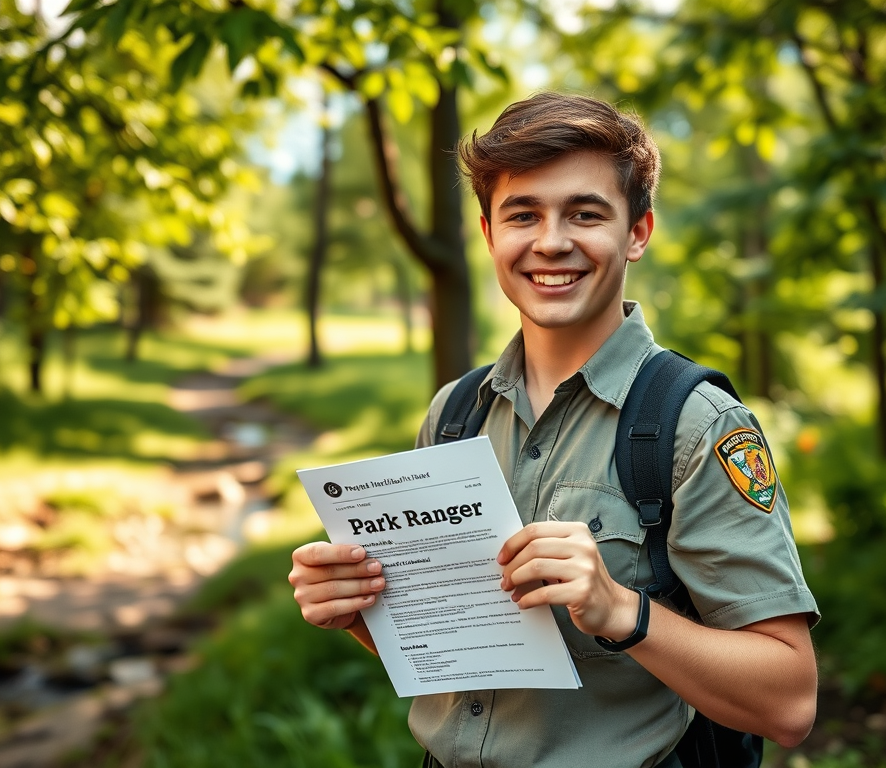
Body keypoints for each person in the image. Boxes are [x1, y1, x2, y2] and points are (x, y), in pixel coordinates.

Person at [289, 92, 820, 768]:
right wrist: (360, 612)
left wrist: (621, 611)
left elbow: (789, 703)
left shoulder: (695, 425)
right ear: (490, 235)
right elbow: (457, 663)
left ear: (638, 233)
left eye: (585, 213)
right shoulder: (454, 414)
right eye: (523, 215)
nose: (551, 241)